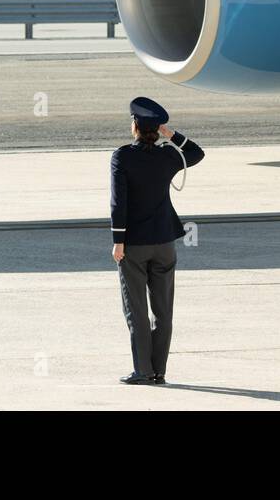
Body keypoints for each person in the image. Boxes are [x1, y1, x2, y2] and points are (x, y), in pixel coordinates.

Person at [110, 96, 204, 385]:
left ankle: (142, 370)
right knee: (163, 310)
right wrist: (171, 134)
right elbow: (197, 153)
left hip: (135, 244)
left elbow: (118, 203)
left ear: (135, 126)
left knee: (136, 309)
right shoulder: (167, 156)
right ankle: (158, 370)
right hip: (164, 243)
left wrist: (118, 241)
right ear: (157, 129)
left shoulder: (122, 156)